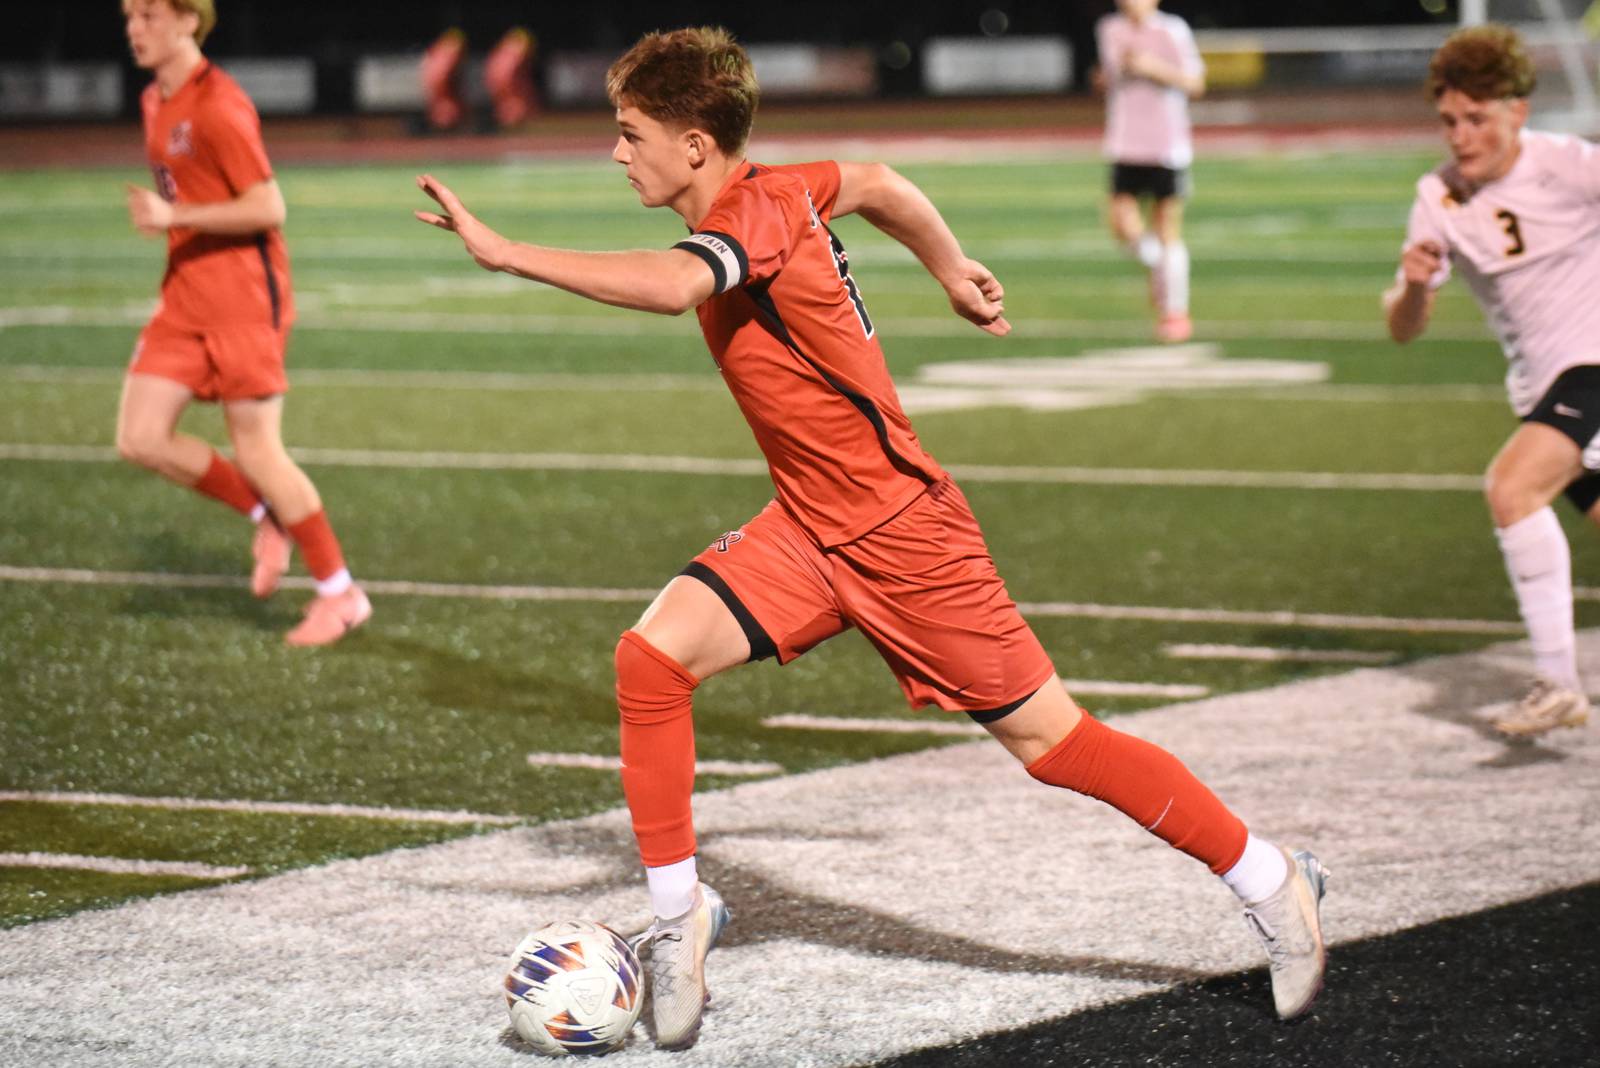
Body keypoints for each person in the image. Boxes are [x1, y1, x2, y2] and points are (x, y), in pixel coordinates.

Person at [416, 26, 1327, 1050]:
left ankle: (1269, 878)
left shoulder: (752, 211)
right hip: (810, 526)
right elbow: (883, 182)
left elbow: (677, 287)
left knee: (1054, 743)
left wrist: (502, 252)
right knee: (651, 660)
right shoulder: (781, 183)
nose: (617, 153)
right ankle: (681, 924)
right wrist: (948, 267)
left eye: (631, 135)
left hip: (902, 535)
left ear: (696, 148)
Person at [120, 0, 369, 646]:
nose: (134, 29)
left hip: (243, 299)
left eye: (148, 15)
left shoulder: (219, 103)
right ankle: (267, 514)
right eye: (129, 16)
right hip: (184, 296)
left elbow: (268, 206)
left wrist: (172, 220)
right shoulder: (155, 101)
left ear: (187, 19)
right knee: (140, 436)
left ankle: (340, 594)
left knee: (258, 449)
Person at [1384, 24, 1600, 738]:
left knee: (1511, 488)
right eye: (1450, 120)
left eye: (1477, 118)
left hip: (1592, 367)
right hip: (1543, 387)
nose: (1461, 135)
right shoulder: (1437, 196)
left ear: (1518, 111)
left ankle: (1559, 684)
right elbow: (1402, 328)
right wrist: (1416, 287)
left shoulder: (1570, 166)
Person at [1094, 0, 1205, 343]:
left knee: (1167, 226)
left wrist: (1153, 68)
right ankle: (1160, 267)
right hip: (1124, 142)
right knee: (1122, 226)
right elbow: (1108, 80)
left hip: (1166, 145)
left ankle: (1175, 312)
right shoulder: (1109, 29)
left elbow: (1196, 84)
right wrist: (1105, 78)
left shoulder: (1172, 30)